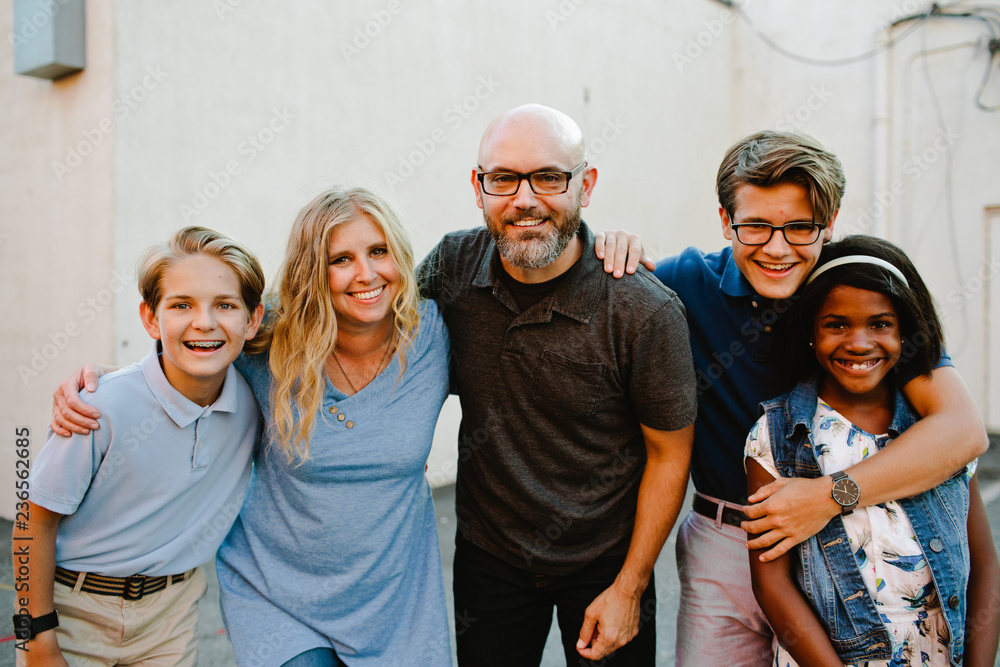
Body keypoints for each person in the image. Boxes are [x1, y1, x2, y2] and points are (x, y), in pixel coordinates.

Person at [649, 130, 988, 665]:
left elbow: (962, 431)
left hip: (842, 539)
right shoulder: (683, 284)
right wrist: (604, 241)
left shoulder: (859, 298)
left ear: (828, 224)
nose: (776, 247)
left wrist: (829, 497)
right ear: (724, 221)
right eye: (755, 225)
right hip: (725, 542)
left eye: (799, 227)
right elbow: (608, 285)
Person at [417, 103, 697, 666]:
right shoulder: (451, 268)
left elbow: (670, 456)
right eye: (503, 179)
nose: (525, 199)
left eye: (549, 177)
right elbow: (366, 323)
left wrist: (631, 585)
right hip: (488, 557)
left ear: (585, 185)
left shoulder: (642, 309)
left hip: (607, 561)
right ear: (479, 187)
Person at [14, 227, 265, 666]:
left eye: (224, 305)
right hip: (72, 611)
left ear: (254, 318)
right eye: (181, 305)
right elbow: (31, 524)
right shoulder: (96, 407)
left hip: (172, 614)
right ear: (150, 319)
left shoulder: (258, 401)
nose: (204, 321)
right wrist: (34, 638)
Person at [745, 236, 1000, 666]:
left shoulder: (938, 433)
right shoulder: (777, 436)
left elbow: (985, 565)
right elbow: (773, 585)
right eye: (837, 324)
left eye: (880, 324)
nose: (859, 343)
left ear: (905, 331)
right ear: (811, 331)